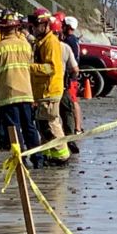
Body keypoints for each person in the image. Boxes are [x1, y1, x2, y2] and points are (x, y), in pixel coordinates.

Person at [0, 12, 44, 168]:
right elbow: (30, 64)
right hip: (26, 94)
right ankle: (38, 159)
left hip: (8, 95)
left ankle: (20, 159)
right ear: (17, 28)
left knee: (14, 130)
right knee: (30, 127)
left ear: (2, 29)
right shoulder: (26, 45)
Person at [29, 12, 71, 164]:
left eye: (36, 25)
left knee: (51, 124)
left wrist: (30, 68)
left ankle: (62, 155)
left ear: (46, 25)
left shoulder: (51, 43)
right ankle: (49, 153)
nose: (33, 28)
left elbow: (50, 68)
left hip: (50, 90)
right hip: (42, 91)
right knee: (42, 125)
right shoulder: (42, 42)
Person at [60, 17, 84, 135]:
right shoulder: (73, 40)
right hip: (72, 76)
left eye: (63, 25)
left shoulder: (69, 41)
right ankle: (78, 127)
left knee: (73, 102)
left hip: (70, 77)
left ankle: (77, 128)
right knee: (74, 101)